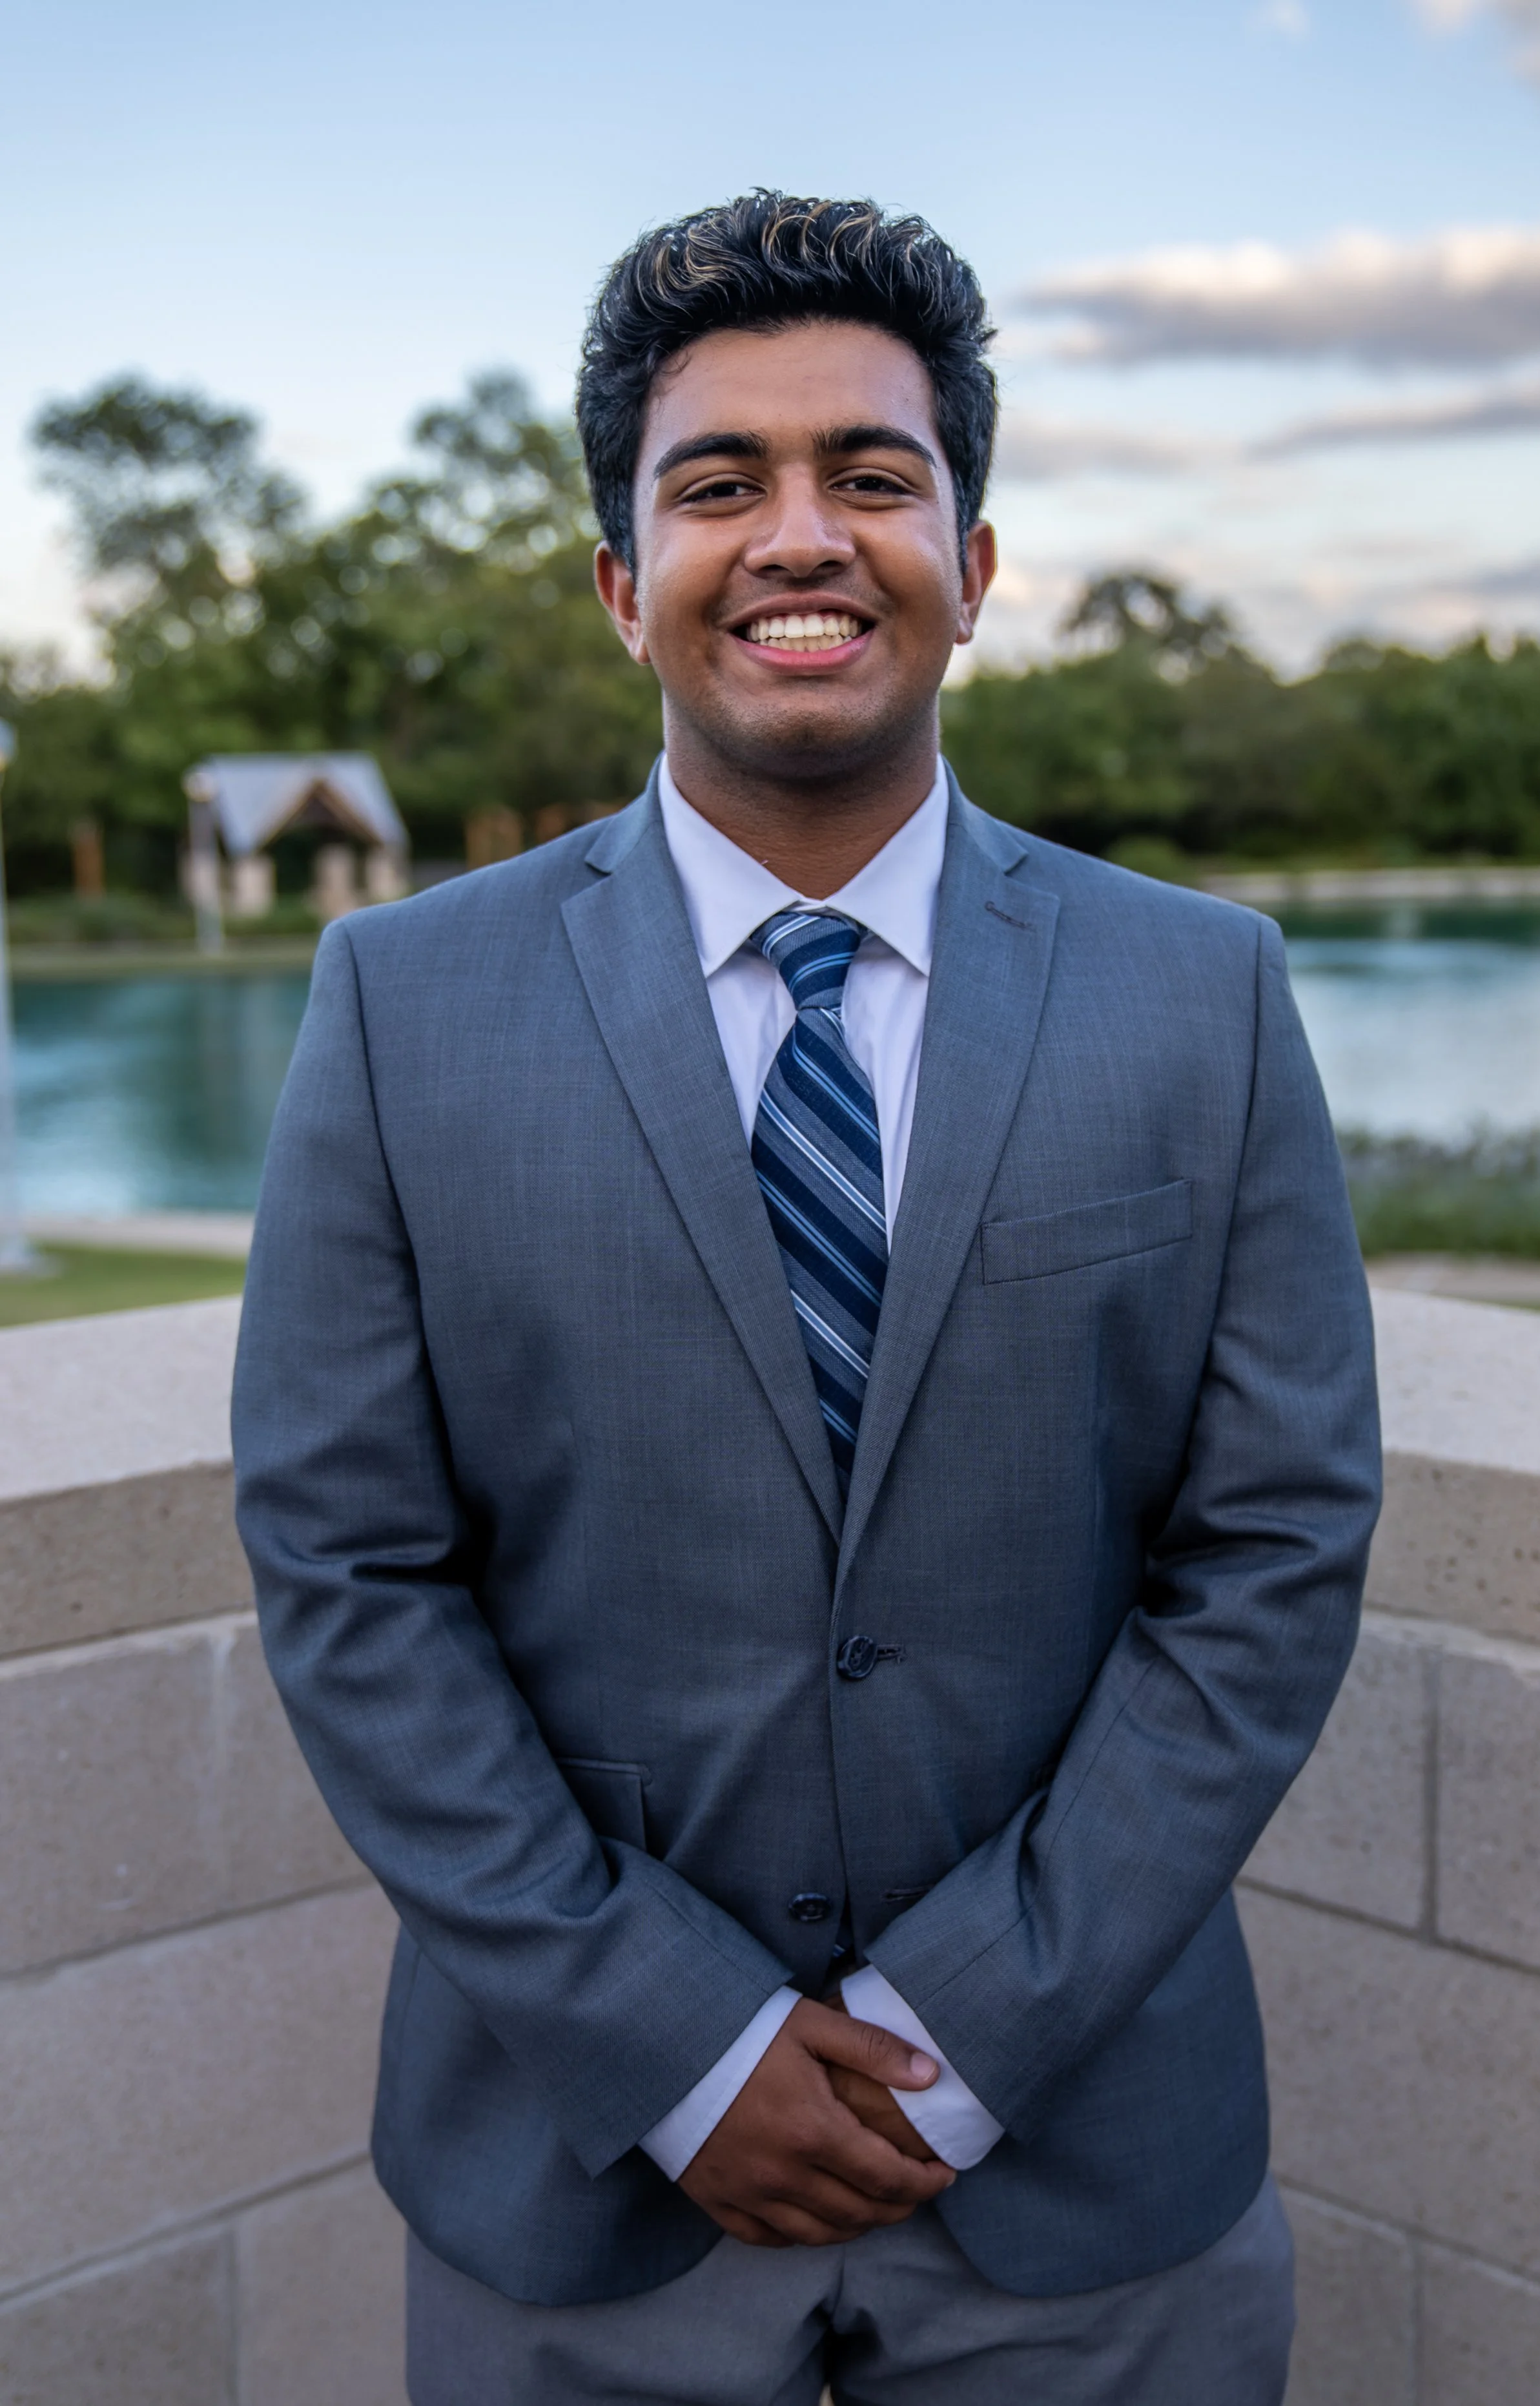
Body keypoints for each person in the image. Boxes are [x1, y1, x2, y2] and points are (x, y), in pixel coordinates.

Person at [232, 191, 1382, 2405]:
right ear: (618, 582)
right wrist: (672, 2038)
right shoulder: (396, 1000)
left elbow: (1271, 1548)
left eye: (873, 473)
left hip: (1093, 2180)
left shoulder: (1206, 995)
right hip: (584, 2187)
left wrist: (979, 2025)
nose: (802, 535)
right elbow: (349, 1568)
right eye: (717, 482)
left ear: (975, 557)